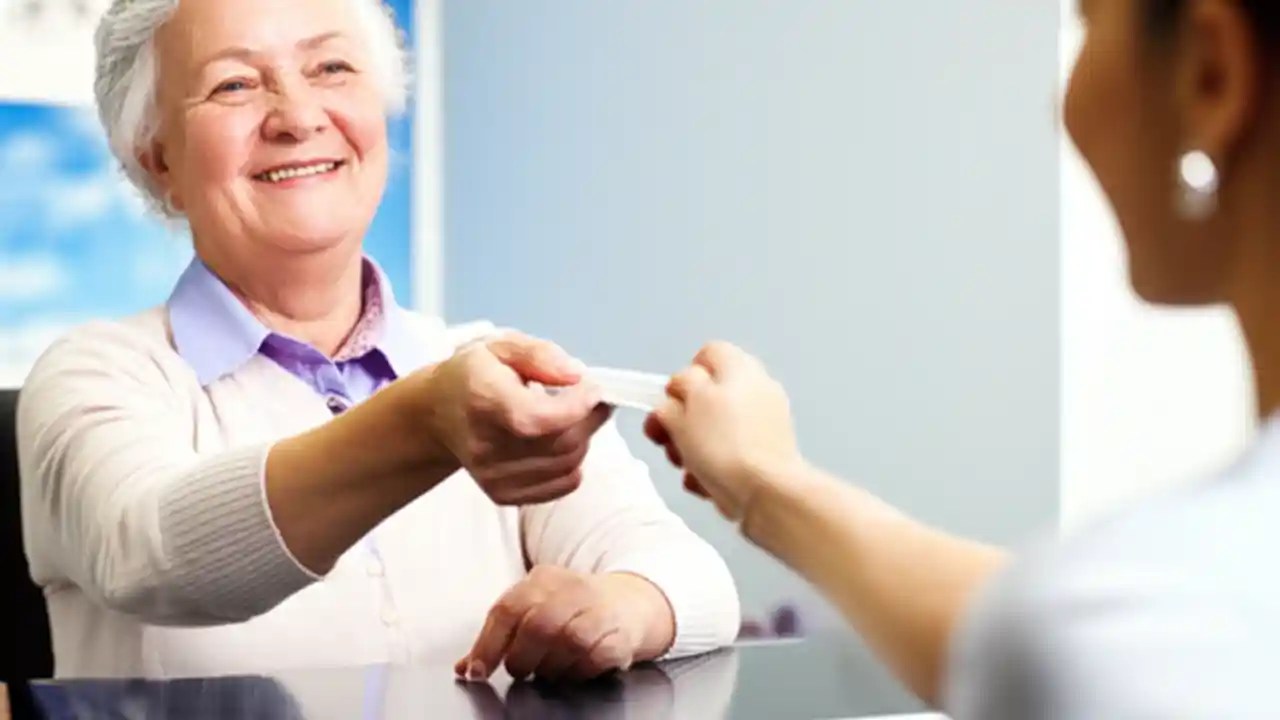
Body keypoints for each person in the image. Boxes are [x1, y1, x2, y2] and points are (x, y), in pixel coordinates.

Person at [17, 0, 738, 681]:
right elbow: (151, 553)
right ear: (157, 159)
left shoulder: (492, 365)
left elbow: (694, 581)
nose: (298, 117)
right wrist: (423, 422)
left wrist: (623, 609)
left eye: (331, 68)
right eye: (234, 84)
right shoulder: (96, 375)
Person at [645, 0, 1280, 717]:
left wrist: (766, 484)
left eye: (1090, 21)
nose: (1061, 107)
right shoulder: (1169, 612)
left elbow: (1083, 637)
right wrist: (766, 481)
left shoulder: (1114, 641)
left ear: (1210, 71)